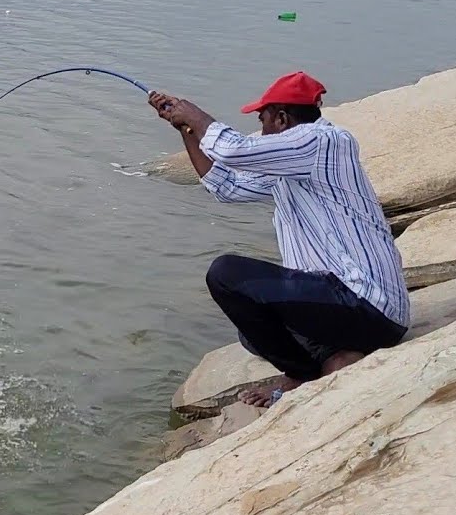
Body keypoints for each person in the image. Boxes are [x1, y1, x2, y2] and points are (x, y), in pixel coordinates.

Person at [148, 71, 409, 407]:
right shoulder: (291, 164)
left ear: (283, 119)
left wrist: (194, 113)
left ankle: (300, 374)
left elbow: (235, 150)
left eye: (264, 119)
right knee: (252, 332)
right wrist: (185, 130)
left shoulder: (322, 142)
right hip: (350, 312)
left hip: (367, 306)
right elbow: (228, 186)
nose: (262, 128)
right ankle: (339, 358)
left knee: (226, 273)